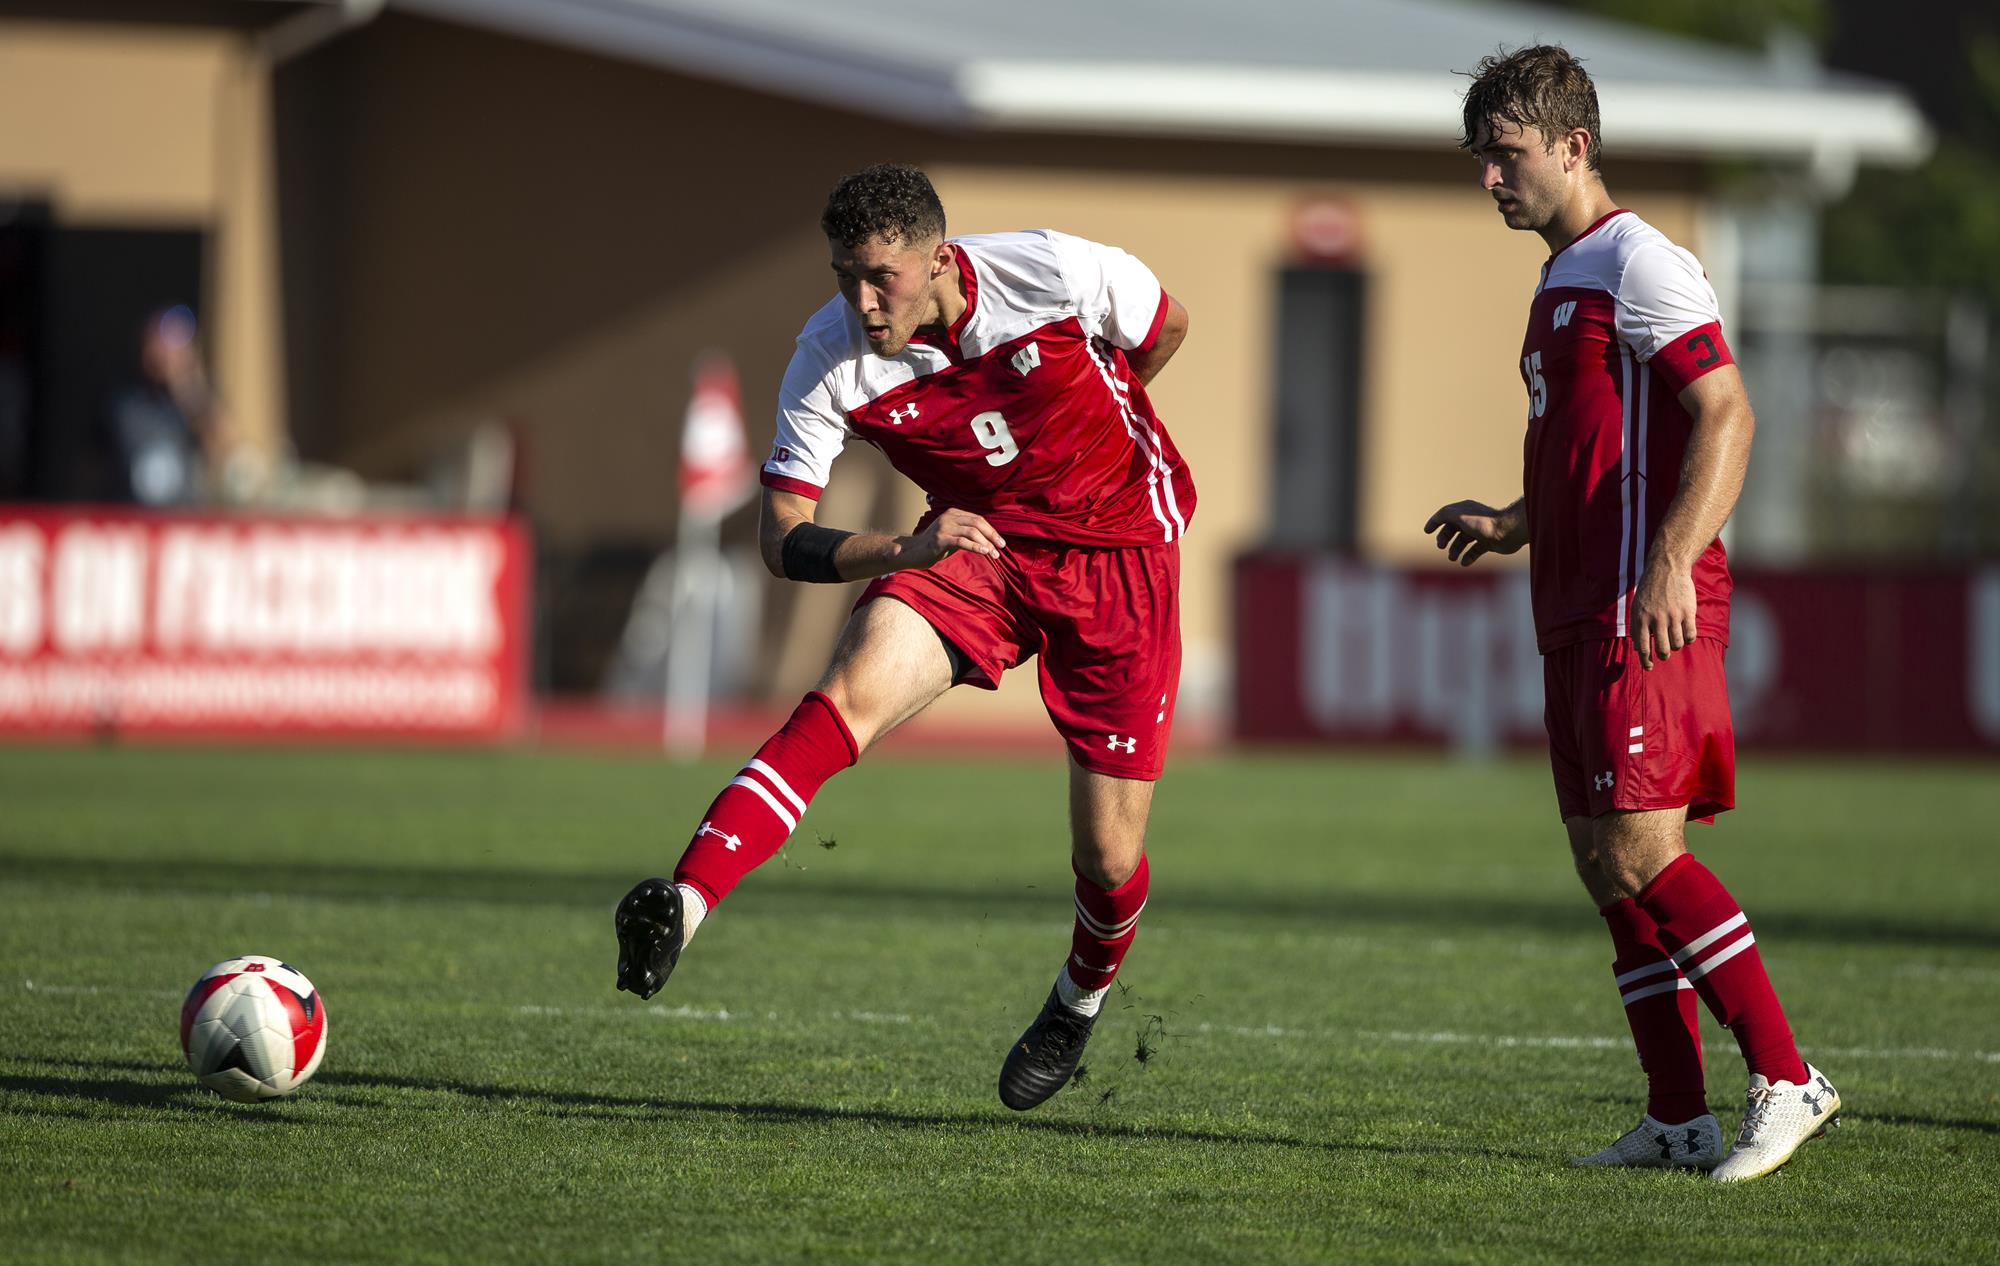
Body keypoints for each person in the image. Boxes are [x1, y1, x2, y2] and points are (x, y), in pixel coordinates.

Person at [613, 163, 1193, 1111]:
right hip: (975, 545)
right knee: (846, 696)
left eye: (881, 276)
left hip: (1119, 560)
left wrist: (1096, 448)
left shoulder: (1053, 271)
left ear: (939, 258)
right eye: (846, 275)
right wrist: (906, 549)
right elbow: (781, 538)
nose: (862, 301)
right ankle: (687, 900)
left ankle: (1077, 1002)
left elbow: (1165, 326)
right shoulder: (827, 356)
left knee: (1109, 859)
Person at [1426, 46, 1839, 1182]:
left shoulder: (1641, 261)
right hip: (1570, 602)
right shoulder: (1563, 276)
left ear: (1571, 146)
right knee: (1603, 867)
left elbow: (1727, 418)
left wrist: (1667, 562)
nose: (1488, 180)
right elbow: (1606, 446)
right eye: (1479, 159)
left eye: (1503, 156)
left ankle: (1787, 1079)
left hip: (1639, 608)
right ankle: (1675, 1118)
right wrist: (1516, 519)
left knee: (1641, 852)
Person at [104, 305, 222, 507]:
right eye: (157, 343)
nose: (165, 355)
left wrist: (188, 390)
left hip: (183, 526)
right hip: (131, 523)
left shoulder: (197, 403)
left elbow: (225, 454)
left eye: (174, 347)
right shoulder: (123, 406)